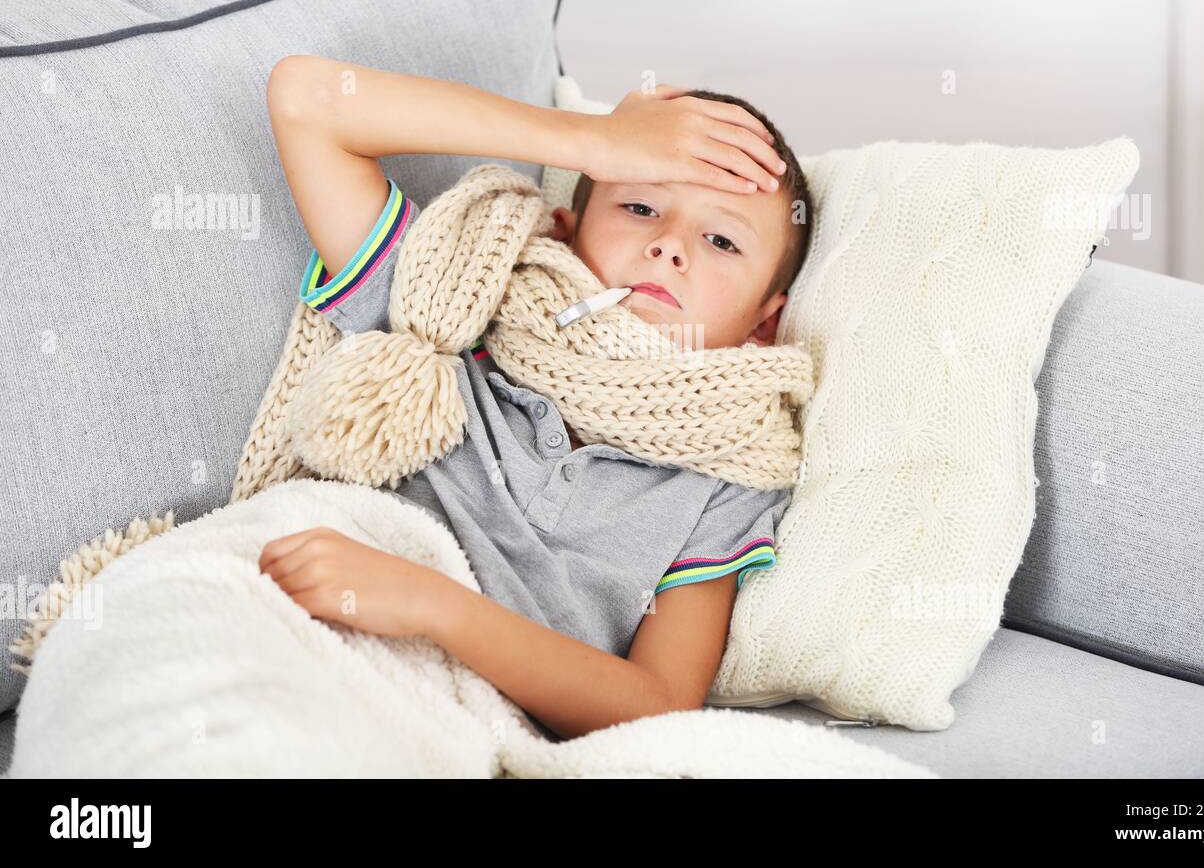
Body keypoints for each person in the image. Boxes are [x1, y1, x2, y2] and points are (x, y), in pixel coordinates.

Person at [257, 56, 813, 741]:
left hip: (436, 716)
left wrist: (435, 606)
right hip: (279, 609)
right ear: (563, 231)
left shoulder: (729, 476)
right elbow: (306, 100)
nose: (669, 245)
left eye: (722, 239)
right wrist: (588, 140)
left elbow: (659, 706)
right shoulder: (459, 301)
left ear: (765, 321)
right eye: (640, 205)